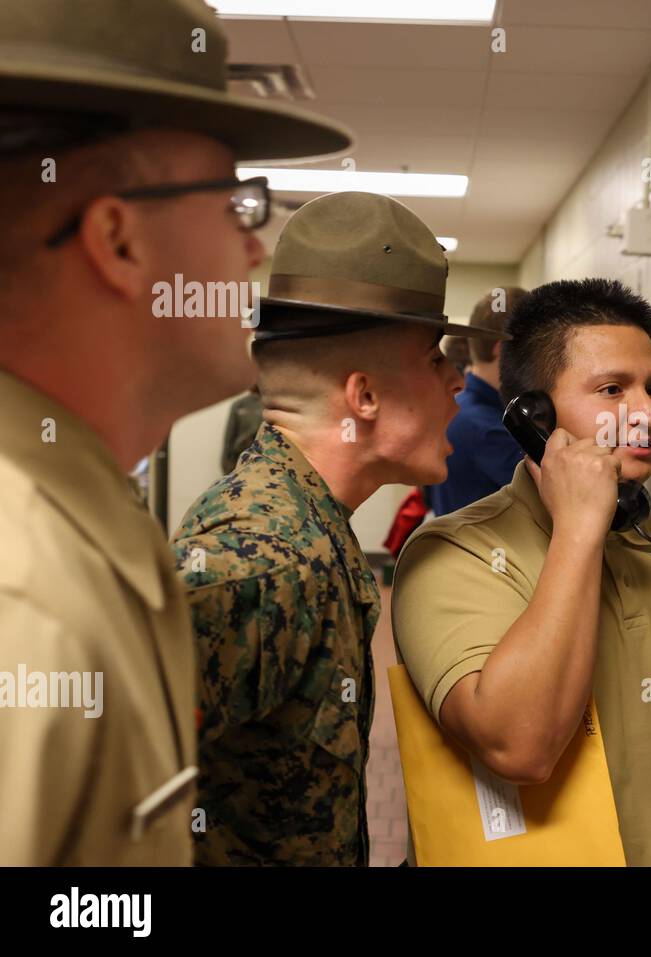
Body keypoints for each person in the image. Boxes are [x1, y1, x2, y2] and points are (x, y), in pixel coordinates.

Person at [0, 0, 349, 864]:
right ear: (118, 240)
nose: (257, 250)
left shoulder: (90, 527)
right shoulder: (26, 597)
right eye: (236, 204)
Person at [171, 190, 505, 865]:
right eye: (436, 359)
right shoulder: (262, 562)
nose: (457, 385)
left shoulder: (315, 528)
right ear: (366, 396)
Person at [393, 279, 651, 866]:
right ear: (533, 416)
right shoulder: (453, 553)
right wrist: (578, 532)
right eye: (613, 389)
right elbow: (519, 749)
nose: (647, 415)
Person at [425, 286, 527, 517]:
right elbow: (557, 497)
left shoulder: (462, 407)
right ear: (503, 350)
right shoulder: (486, 426)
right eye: (534, 350)